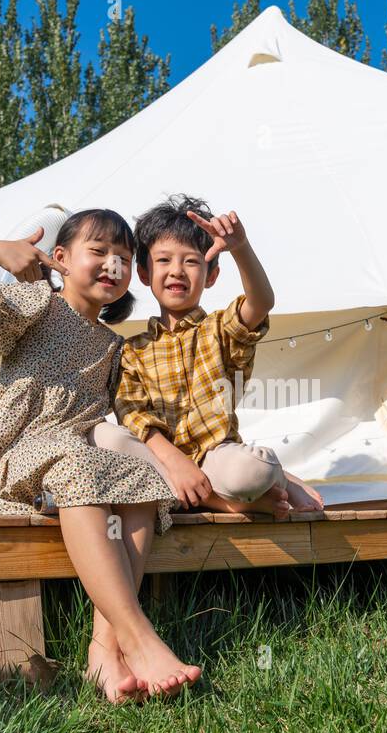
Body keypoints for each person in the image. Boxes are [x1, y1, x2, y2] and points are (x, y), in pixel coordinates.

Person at [0, 209, 201, 702]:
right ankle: (139, 636)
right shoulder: (37, 307)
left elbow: (132, 419)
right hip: (16, 448)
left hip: (72, 455)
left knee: (140, 482)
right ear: (60, 259)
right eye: (99, 252)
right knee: (80, 464)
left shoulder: (115, 347)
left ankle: (104, 649)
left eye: (122, 256)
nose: (112, 264)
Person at [113, 194, 324, 516]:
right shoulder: (132, 350)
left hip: (216, 456)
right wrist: (176, 463)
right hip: (162, 460)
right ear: (144, 273)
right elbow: (133, 415)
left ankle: (272, 478)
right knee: (112, 445)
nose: (177, 271)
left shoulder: (218, 329)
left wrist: (240, 248)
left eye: (191, 261)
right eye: (164, 260)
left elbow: (261, 302)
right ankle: (233, 504)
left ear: (211, 276)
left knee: (251, 472)